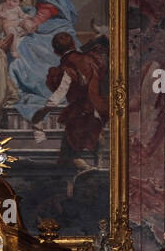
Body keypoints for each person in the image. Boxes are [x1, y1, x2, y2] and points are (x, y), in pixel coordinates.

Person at [0, 0, 80, 122]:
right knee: (10, 46)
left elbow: (53, 7)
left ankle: (49, 89)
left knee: (37, 45)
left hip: (46, 24)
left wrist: (34, 21)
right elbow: (0, 11)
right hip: (15, 26)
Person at [32, 30, 108, 165]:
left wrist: (42, 112)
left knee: (69, 156)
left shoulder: (66, 68)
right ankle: (97, 166)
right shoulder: (91, 58)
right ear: (73, 44)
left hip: (81, 112)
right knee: (94, 139)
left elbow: (60, 93)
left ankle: (84, 171)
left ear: (55, 51)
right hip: (99, 108)